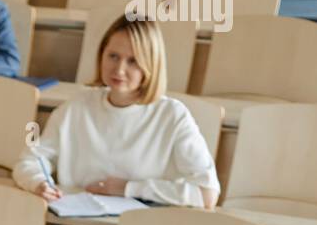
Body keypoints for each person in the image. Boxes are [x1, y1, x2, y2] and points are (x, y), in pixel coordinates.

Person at [13, 15, 220, 207]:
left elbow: (207, 193)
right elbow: (31, 160)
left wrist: (128, 188)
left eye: (133, 61)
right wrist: (39, 183)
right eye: (113, 56)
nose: (119, 69)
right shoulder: (76, 107)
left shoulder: (172, 115)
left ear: (150, 65)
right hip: (75, 222)